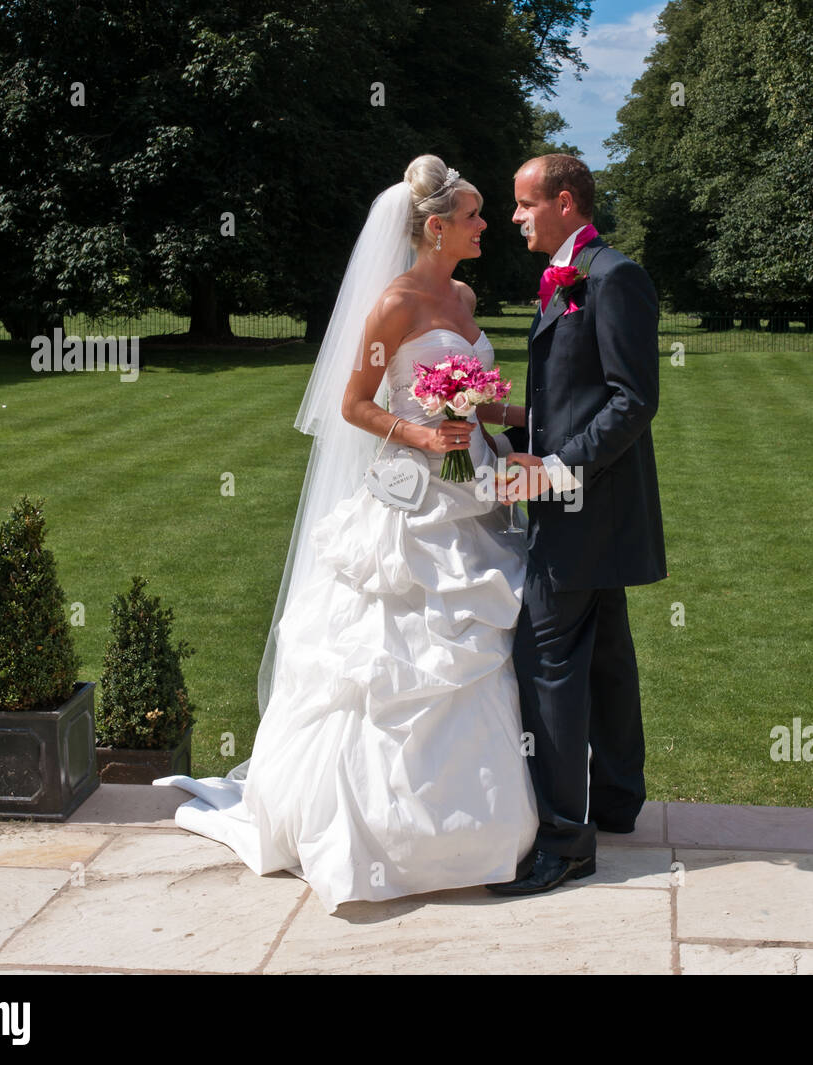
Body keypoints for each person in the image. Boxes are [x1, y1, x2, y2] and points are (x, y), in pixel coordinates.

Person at [154, 155, 538, 913]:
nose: (485, 224)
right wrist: (421, 436)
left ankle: (484, 823)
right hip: (413, 495)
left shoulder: (462, 294)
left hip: (474, 492)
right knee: (387, 654)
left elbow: (479, 402)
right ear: (436, 227)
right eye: (473, 215)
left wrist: (519, 418)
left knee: (472, 637)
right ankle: (376, 827)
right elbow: (354, 403)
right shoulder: (393, 305)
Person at [485, 154, 666, 896]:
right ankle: (619, 801)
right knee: (607, 655)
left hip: (585, 509)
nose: (516, 218)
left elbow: (631, 401)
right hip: (588, 509)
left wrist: (550, 469)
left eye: (525, 205)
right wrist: (507, 417)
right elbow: (578, 397)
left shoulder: (611, 276)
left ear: (564, 202)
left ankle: (565, 841)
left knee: (548, 661)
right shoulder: (566, 275)